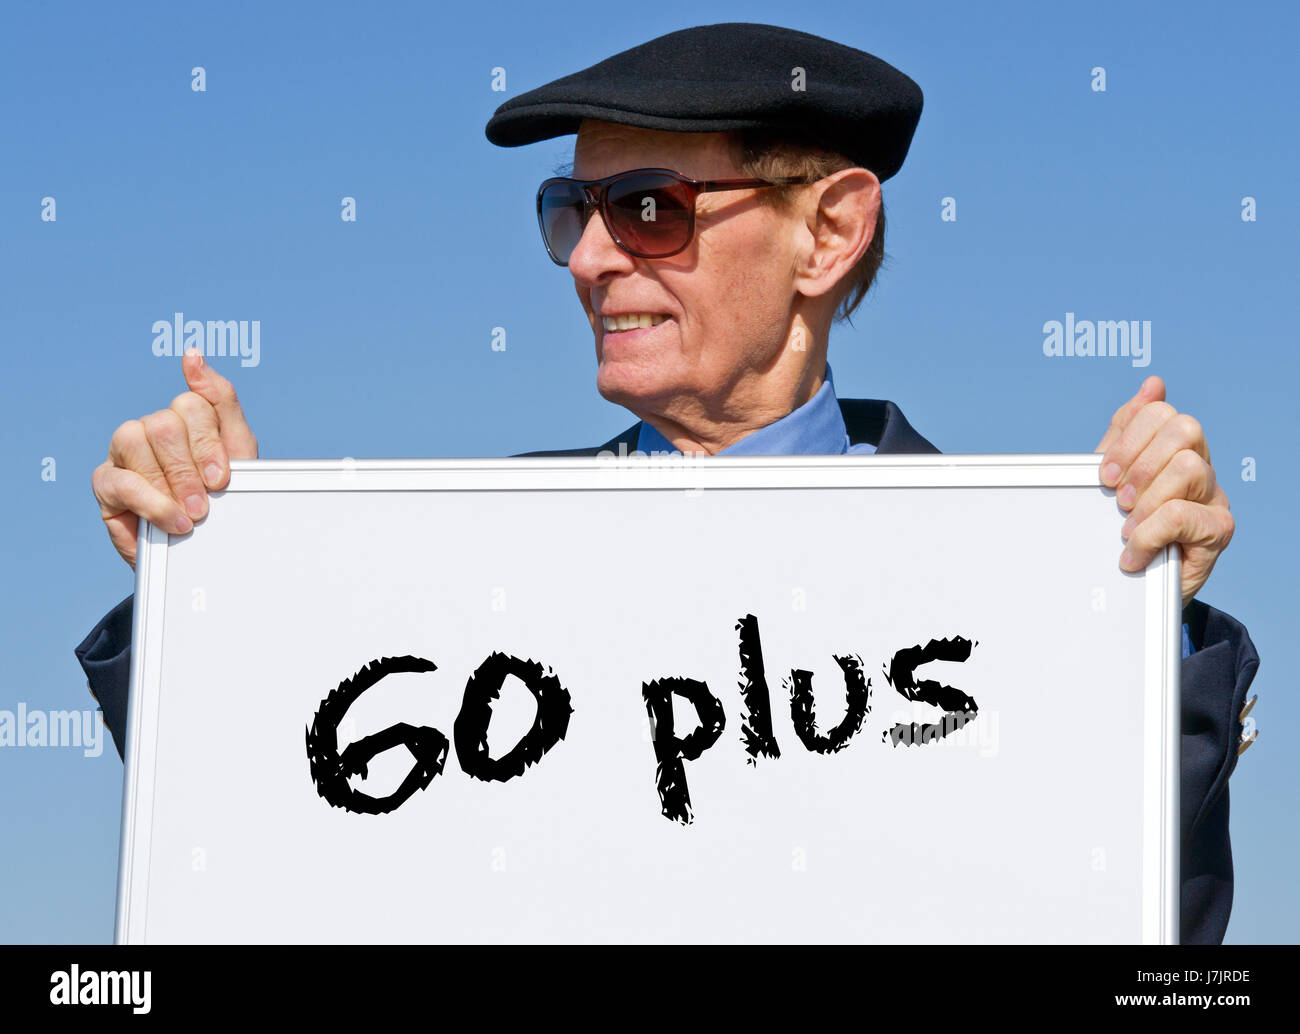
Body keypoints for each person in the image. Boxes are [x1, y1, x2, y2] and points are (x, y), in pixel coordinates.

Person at [76, 23, 1259, 944]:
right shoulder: (462, 572)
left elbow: (1158, 952)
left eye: (649, 209)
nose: (590, 258)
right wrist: (218, 580)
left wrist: (1141, 625)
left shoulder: (1026, 594)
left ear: (829, 233)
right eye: (569, 213)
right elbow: (279, 870)